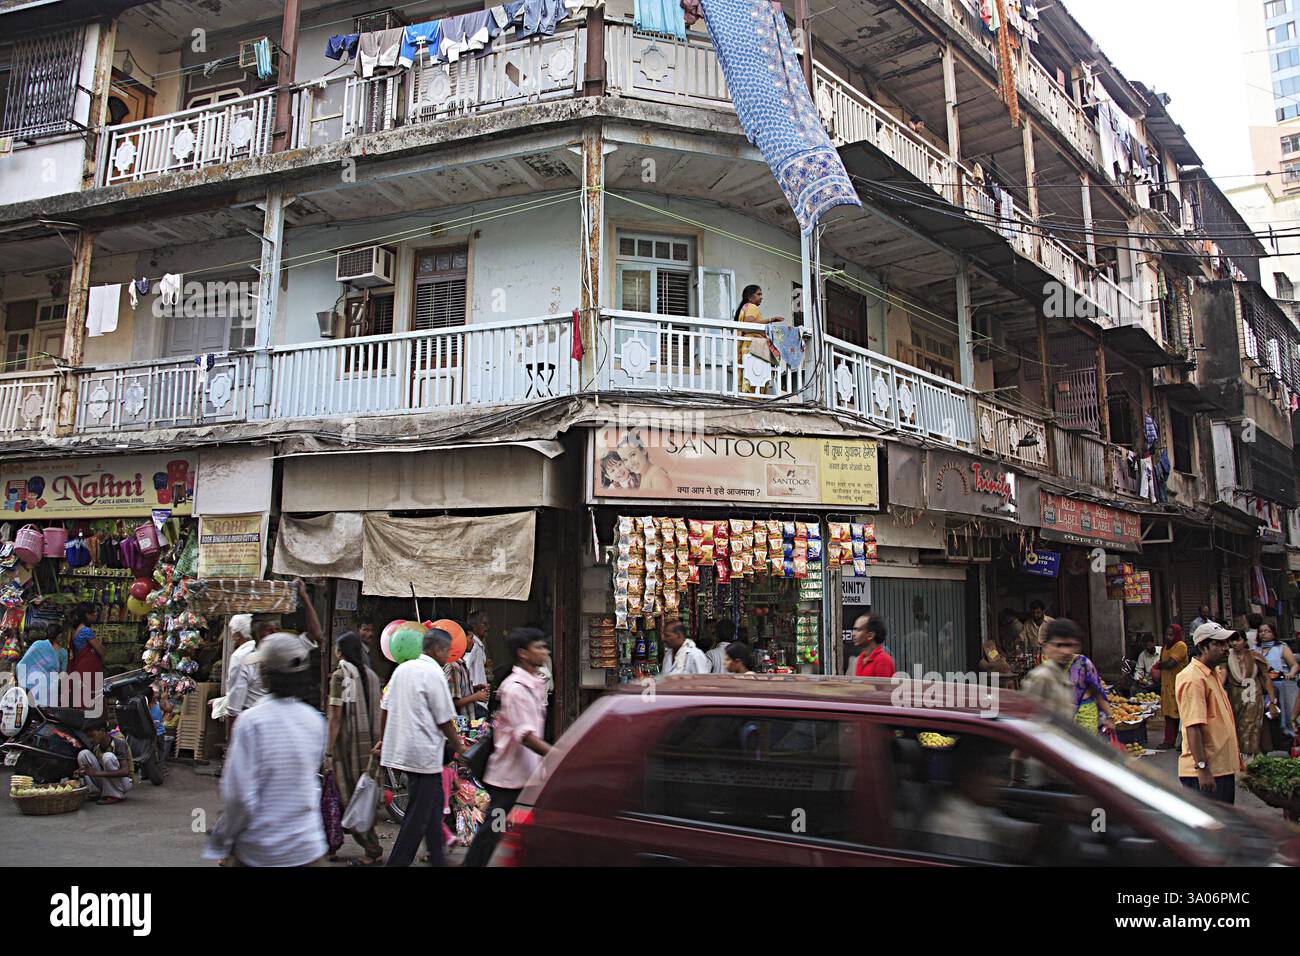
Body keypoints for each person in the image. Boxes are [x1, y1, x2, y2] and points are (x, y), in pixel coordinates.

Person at [203, 634, 329, 866]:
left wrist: (225, 836)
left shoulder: (252, 722)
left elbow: (239, 796)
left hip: (261, 850)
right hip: (308, 846)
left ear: (266, 674)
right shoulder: (314, 721)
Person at [375, 628, 465, 867]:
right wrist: (459, 747)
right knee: (418, 815)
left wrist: (383, 739)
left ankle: (438, 857)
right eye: (447, 651)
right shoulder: (434, 674)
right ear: (438, 650)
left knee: (433, 807)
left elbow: (385, 706)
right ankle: (397, 862)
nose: (448, 656)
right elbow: (444, 718)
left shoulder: (403, 669)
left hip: (404, 750)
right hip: (423, 754)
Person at [464, 628, 552, 867]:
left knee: (525, 832)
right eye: (539, 647)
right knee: (493, 832)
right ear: (523, 653)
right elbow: (525, 735)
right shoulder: (514, 688)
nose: (545, 651)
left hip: (527, 774)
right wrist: (558, 756)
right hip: (508, 778)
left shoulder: (534, 683)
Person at [227, 579, 322, 733]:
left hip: (288, 727)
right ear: (257, 633)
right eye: (269, 630)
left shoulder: (286, 648)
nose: (274, 633)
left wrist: (304, 597)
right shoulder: (243, 658)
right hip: (257, 729)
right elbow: (233, 712)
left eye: (277, 629)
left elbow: (316, 635)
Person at [325, 630, 384, 865]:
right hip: (368, 743)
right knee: (358, 794)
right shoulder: (370, 676)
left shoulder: (341, 676)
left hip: (347, 746)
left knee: (350, 795)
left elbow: (336, 717)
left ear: (340, 651)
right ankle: (329, 844)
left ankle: (372, 848)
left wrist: (328, 751)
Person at [1176, 623, 1241, 804]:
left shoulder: (1211, 674)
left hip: (1220, 768)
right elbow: (1193, 726)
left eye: (1226, 643)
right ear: (1203, 647)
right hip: (1205, 771)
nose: (1226, 649)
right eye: (1219, 644)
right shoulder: (1192, 678)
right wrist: (1202, 769)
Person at [1224, 630, 1276, 761]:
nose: (1234, 643)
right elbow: (1222, 676)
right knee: (1237, 726)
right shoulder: (1226, 657)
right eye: (1232, 640)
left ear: (1245, 641)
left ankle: (1250, 757)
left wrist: (1272, 701)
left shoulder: (1255, 657)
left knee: (1252, 725)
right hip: (1235, 697)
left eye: (1238, 640)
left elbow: (1266, 678)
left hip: (1254, 695)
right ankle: (1241, 757)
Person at [1019, 619, 1082, 724]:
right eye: (1059, 645)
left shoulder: (1064, 676)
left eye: (1070, 645)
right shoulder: (1041, 677)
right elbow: (1028, 721)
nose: (1065, 651)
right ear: (1047, 647)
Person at [733, 284, 783, 394]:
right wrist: (771, 319)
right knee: (756, 380)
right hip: (754, 345)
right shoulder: (752, 307)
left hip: (747, 345)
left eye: (761, 294)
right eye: (758, 294)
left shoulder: (744, 307)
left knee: (748, 378)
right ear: (750, 297)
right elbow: (748, 324)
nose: (761, 297)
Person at [75, 719, 134, 805]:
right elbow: (94, 768)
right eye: (88, 737)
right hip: (107, 780)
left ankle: (114, 795)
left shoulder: (118, 744)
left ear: (102, 731)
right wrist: (83, 771)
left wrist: (96, 773)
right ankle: (95, 793)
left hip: (124, 782)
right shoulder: (96, 747)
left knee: (108, 756)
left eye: (92, 735)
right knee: (83, 754)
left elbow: (125, 771)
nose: (90, 739)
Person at [1258, 621, 1299, 739]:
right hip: (1262, 686)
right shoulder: (1255, 649)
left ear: (1274, 633)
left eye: (1267, 631)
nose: (1263, 634)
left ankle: (1291, 737)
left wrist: (1290, 674)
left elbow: (1294, 665)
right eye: (1261, 631)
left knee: (1288, 711)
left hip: (1281, 684)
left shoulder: (1281, 647)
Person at [1068, 645, 1114, 736]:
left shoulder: (1082, 663)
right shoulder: (1050, 667)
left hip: (1086, 716)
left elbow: (1098, 691)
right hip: (1064, 719)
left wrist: (1110, 716)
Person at [17, 626, 66, 706]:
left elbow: (22, 665)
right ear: (59, 636)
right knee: (46, 715)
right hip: (49, 692)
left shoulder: (38, 645)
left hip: (31, 689)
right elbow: (62, 675)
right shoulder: (63, 652)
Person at [1159, 624, 1191, 748]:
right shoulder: (1166, 647)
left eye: (1171, 635)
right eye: (1167, 634)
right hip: (1167, 686)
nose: (1168, 637)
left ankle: (1184, 742)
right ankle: (1169, 741)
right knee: (1169, 715)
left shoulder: (1181, 646)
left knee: (1181, 715)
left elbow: (1171, 663)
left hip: (1178, 684)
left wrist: (1159, 666)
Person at [68, 604, 104, 711]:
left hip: (81, 666)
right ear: (87, 615)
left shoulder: (75, 630)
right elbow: (101, 651)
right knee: (91, 695)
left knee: (83, 696)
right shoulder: (86, 631)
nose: (96, 614)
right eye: (94, 612)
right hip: (90, 667)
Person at [444, 642, 485, 721]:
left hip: (468, 719)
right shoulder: (453, 666)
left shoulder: (461, 664)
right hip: (460, 724)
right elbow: (453, 702)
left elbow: (459, 691)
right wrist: (476, 697)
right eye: (470, 638)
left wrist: (475, 688)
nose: (473, 642)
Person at [464, 610, 492, 717]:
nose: (487, 627)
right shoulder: (474, 645)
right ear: (473, 626)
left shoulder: (478, 644)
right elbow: (465, 666)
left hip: (478, 699)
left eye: (488, 624)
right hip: (476, 701)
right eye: (484, 624)